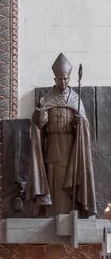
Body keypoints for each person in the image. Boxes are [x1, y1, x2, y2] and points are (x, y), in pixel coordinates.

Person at [27, 53, 97, 217]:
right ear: (55, 79)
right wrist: (38, 112)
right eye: (60, 79)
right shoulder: (47, 99)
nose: (63, 82)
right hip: (52, 147)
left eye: (65, 78)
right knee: (53, 182)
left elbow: (82, 128)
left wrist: (79, 123)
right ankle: (50, 214)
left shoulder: (75, 99)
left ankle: (71, 215)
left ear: (69, 78)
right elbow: (39, 124)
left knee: (68, 182)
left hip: (70, 151)